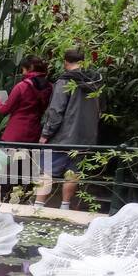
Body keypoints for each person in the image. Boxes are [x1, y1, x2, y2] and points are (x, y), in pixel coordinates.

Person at [0, 54, 51, 201]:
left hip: (15, 133)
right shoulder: (50, 87)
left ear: (29, 68)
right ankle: (23, 199)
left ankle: (5, 200)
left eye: (24, 69)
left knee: (9, 169)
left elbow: (5, 109)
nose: (22, 73)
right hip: (34, 132)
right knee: (27, 168)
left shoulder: (22, 86)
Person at [40, 47, 102, 179]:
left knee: (47, 170)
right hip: (85, 138)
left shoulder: (65, 81)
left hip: (63, 138)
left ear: (66, 62)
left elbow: (56, 110)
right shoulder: (96, 82)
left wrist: (46, 133)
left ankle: (39, 200)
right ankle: (66, 201)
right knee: (73, 173)